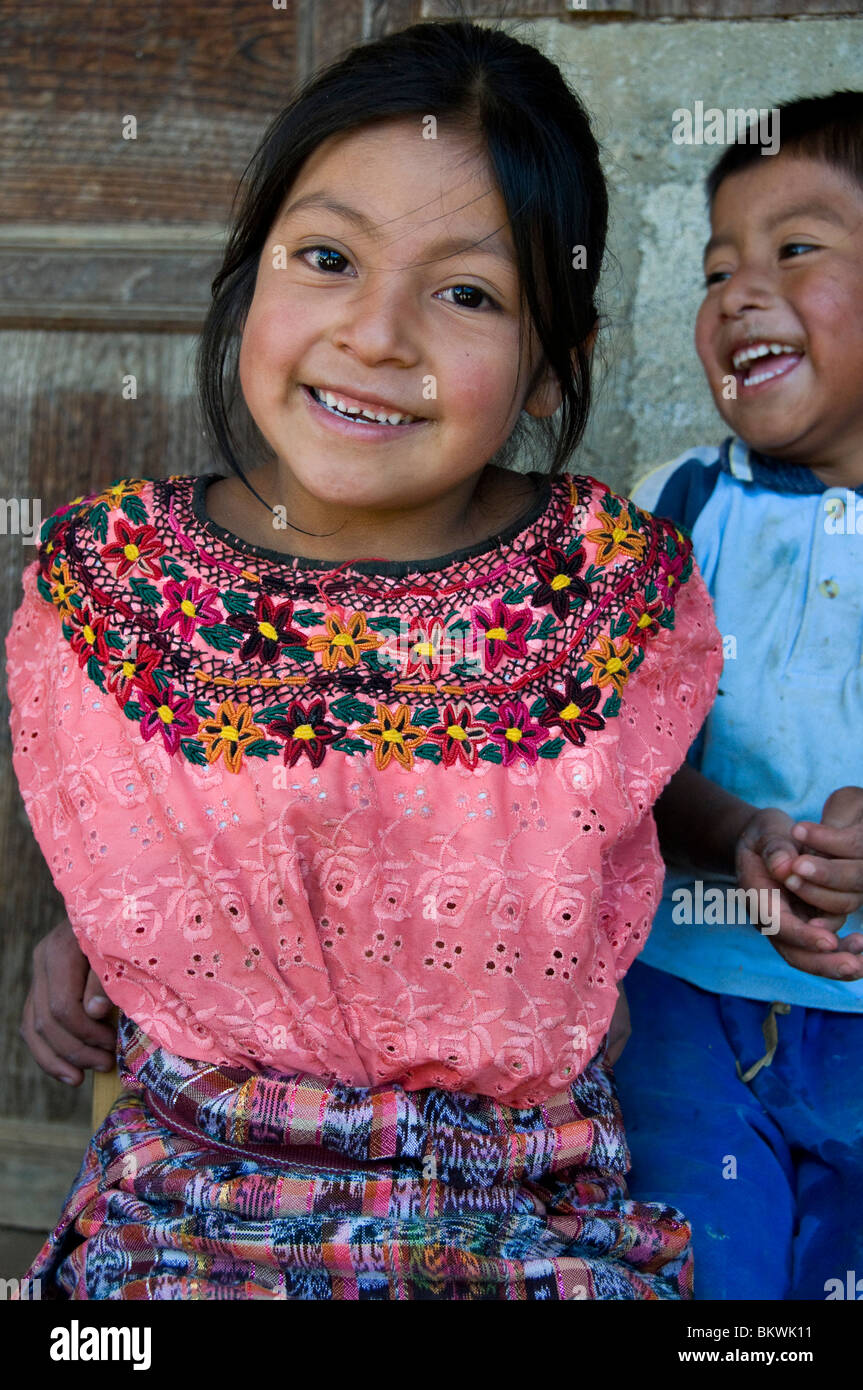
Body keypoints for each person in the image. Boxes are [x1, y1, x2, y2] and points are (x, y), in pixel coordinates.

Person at [6, 19, 721, 1300]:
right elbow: (175, 824)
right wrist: (93, 931)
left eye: (466, 292)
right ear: (249, 282)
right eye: (327, 257)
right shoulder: (116, 584)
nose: (377, 334)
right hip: (189, 1200)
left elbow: (592, 808)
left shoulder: (607, 585)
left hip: (516, 1211)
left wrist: (745, 849)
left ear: (557, 367)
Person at [614, 91, 863, 1302]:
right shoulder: (672, 510)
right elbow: (599, 755)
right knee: (701, 1290)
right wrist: (735, 837)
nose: (738, 292)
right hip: (683, 1005)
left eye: (794, 250)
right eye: (717, 267)